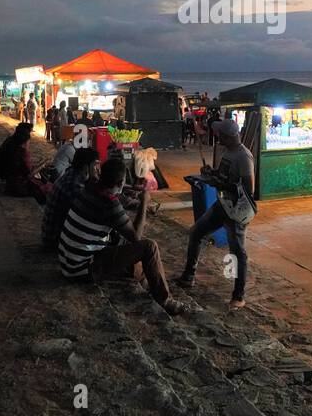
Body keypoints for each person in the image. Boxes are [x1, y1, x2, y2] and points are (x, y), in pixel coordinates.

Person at [59, 158, 187, 316]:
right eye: (123, 182)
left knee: (123, 243)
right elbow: (136, 237)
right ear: (119, 183)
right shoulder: (110, 205)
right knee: (149, 247)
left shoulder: (89, 187)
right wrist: (144, 204)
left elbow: (109, 192)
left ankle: (148, 281)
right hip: (82, 268)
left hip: (67, 262)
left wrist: (126, 190)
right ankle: (164, 300)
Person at [178, 119, 253, 309]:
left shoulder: (244, 157)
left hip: (235, 211)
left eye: (220, 135)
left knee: (237, 253)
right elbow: (223, 174)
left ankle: (238, 295)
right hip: (222, 205)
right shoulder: (228, 151)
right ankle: (188, 276)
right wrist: (212, 173)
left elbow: (248, 189)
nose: (217, 137)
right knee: (196, 232)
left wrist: (220, 184)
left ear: (229, 136)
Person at [42, 147, 98, 252]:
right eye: (95, 165)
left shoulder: (71, 174)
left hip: (51, 234)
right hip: (55, 240)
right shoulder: (74, 185)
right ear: (86, 167)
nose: (96, 168)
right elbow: (87, 212)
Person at [0, 122, 51, 202]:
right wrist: (42, 165)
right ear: (25, 140)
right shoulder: (22, 152)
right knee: (48, 187)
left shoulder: (11, 143)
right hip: (20, 185)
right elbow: (29, 173)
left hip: (11, 181)